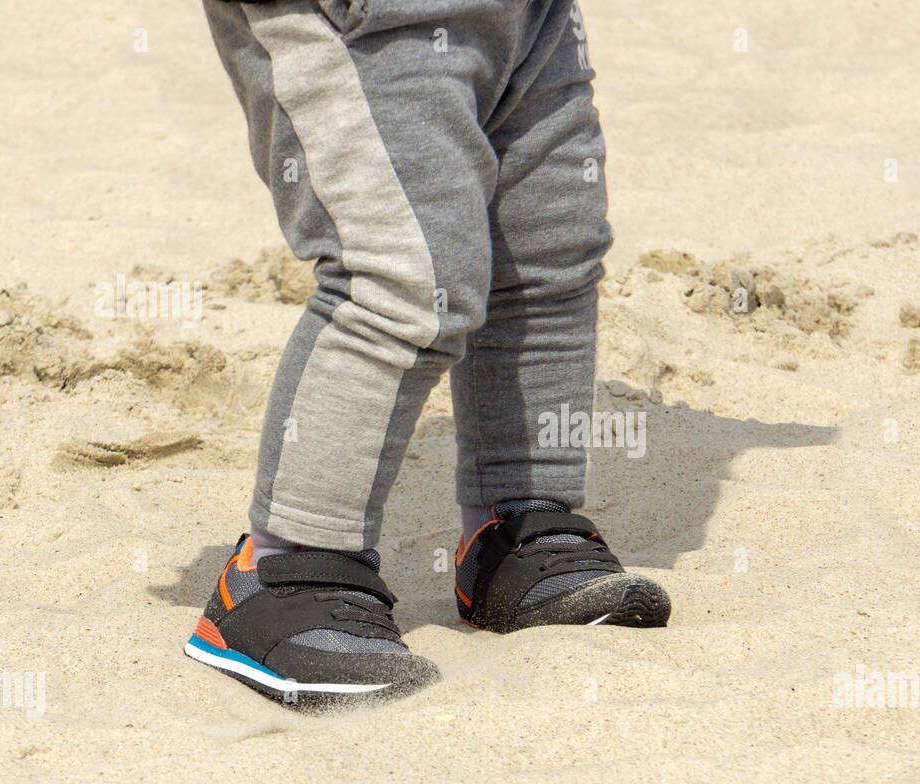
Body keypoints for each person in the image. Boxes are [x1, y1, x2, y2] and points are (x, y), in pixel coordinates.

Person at [183, 0, 670, 706]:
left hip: (524, 16)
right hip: (361, 18)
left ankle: (516, 527)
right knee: (406, 273)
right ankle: (283, 568)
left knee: (549, 250)